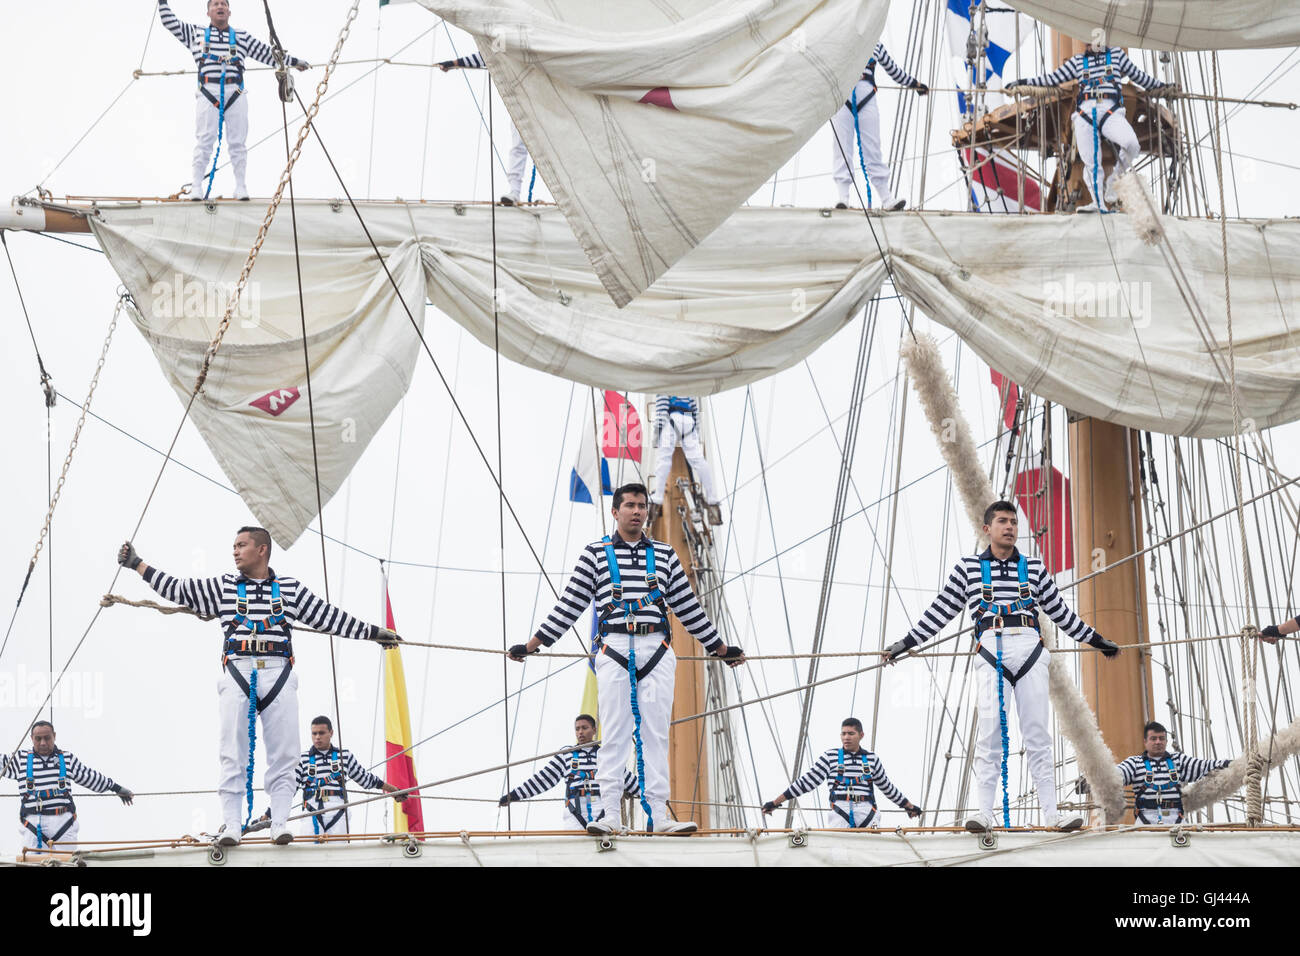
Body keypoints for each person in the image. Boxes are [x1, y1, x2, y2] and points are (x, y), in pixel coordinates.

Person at [117, 527, 400, 847]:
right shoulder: (222, 587)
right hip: (238, 669)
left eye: (242, 545)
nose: (235, 551)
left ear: (262, 549)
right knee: (232, 753)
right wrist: (138, 564)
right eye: (234, 546)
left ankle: (279, 822)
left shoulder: (290, 589)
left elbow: (328, 617)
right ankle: (232, 825)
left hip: (278, 672)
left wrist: (374, 633)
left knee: (286, 756)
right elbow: (178, 589)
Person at [509, 482, 743, 835]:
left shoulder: (665, 555)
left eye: (642, 506)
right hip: (614, 648)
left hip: (656, 649)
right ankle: (610, 816)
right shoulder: (595, 553)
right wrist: (534, 643)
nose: (637, 511)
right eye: (630, 505)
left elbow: (688, 608)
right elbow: (570, 603)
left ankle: (660, 816)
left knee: (655, 735)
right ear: (615, 512)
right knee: (615, 734)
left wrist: (720, 649)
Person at [883, 500, 1119, 832]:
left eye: (1014, 522)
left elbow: (1061, 614)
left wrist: (1096, 640)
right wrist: (906, 643)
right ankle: (984, 813)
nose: (1010, 527)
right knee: (990, 734)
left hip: (1030, 648)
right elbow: (941, 612)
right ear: (987, 529)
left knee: (1038, 735)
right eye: (1003, 522)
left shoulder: (1035, 569)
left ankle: (1052, 815)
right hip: (991, 648)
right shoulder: (968, 568)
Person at [159, 0, 309, 201]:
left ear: (229, 11)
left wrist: (295, 62)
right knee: (205, 140)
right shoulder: (195, 33)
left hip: (235, 92)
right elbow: (169, 22)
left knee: (238, 143)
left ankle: (241, 187)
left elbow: (268, 54)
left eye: (223, 4)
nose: (220, 7)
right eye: (215, 4)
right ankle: (196, 186)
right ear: (208, 12)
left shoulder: (241, 37)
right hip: (208, 91)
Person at [1007, 43, 1170, 213]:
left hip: (1111, 109)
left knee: (1131, 144)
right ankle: (1097, 203)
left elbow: (1139, 76)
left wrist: (1164, 86)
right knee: (1092, 161)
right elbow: (1052, 79)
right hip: (1085, 111)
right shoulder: (1078, 61)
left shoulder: (1116, 55)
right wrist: (1023, 83)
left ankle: (1114, 181)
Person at [761, 718, 921, 828]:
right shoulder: (830, 757)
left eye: (851, 734)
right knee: (838, 854)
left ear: (861, 735)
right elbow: (806, 782)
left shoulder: (871, 759)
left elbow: (886, 787)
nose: (846, 737)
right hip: (840, 809)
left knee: (873, 850)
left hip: (867, 809)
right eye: (843, 734)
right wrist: (775, 802)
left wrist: (908, 806)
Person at [1, 721, 133, 851]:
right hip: (33, 825)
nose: (43, 743)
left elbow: (89, 776)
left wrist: (116, 788)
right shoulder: (20, 759)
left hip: (63, 824)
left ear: (54, 736)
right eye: (38, 739)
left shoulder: (66, 758)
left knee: (67, 862)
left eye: (47, 738)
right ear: (31, 739)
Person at [830, 43, 928, 212]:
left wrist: (915, 84)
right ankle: (843, 197)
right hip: (841, 98)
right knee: (842, 147)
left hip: (866, 98)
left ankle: (886, 198)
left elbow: (893, 70)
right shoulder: (838, 33)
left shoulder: (875, 40)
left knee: (873, 148)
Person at [499, 714, 640, 830]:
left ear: (594, 730)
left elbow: (627, 780)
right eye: (577, 729)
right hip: (575, 812)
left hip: (602, 808)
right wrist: (513, 795)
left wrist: (658, 796)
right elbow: (543, 779)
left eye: (584, 728)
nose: (580, 732)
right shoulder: (566, 755)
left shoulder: (606, 755)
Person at [280, 716, 405, 839]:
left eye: (322, 733)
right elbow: (289, 788)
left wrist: (393, 790)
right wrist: (271, 812)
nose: (317, 737)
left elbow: (365, 778)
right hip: (311, 810)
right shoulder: (302, 759)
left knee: (339, 853)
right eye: (314, 733)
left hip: (337, 810)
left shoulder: (344, 756)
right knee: (308, 853)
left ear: (331, 733)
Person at [438, 52, 533, 205]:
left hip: (546, 98)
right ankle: (514, 191)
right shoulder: (507, 40)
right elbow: (488, 55)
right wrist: (454, 63)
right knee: (518, 146)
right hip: (524, 101)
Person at [1112, 722, 1230, 824]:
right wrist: (1099, 777)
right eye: (1153, 738)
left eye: (1161, 738)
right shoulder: (1134, 763)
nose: (1158, 742)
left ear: (1166, 741)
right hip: (1145, 819)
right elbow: (1116, 775)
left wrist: (1229, 764)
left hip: (1175, 819)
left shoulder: (1177, 760)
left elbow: (1205, 766)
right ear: (1145, 742)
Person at [649, 395, 723, 527]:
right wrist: (697, 432)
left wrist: (657, 433)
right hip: (689, 421)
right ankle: (712, 499)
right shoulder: (689, 386)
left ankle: (658, 498)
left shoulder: (665, 379)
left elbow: (662, 407)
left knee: (664, 458)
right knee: (698, 460)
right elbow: (695, 410)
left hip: (672, 418)